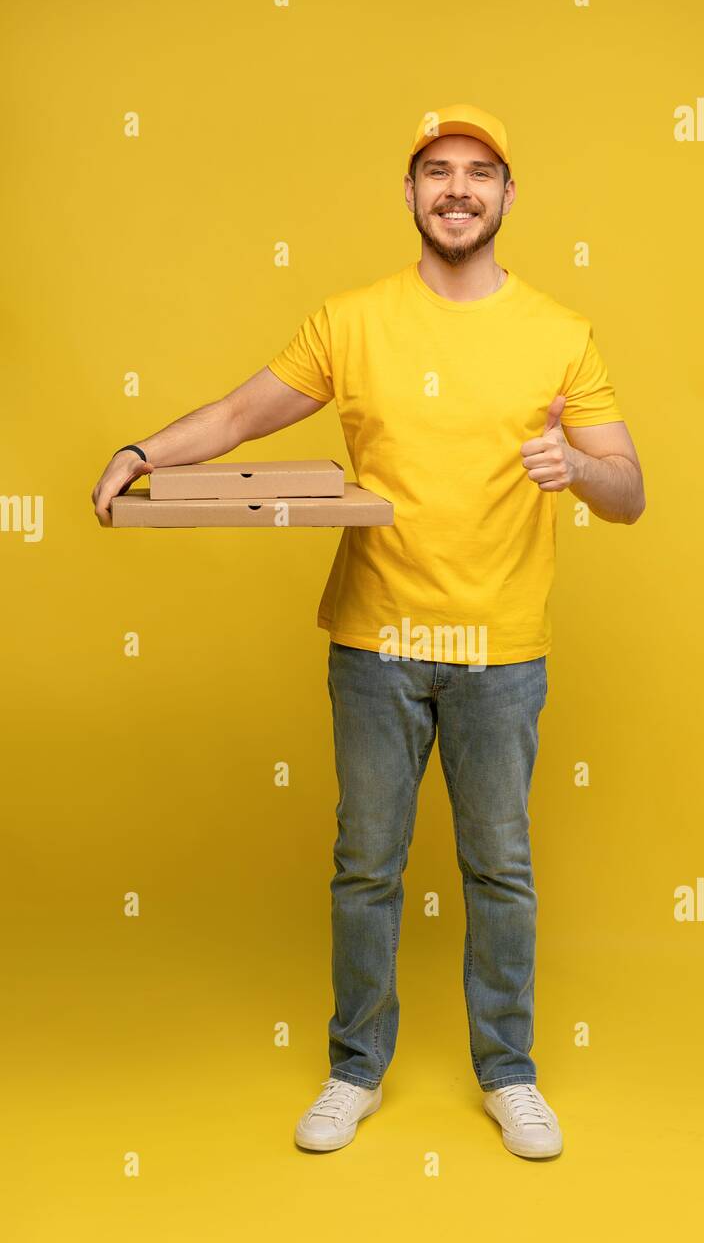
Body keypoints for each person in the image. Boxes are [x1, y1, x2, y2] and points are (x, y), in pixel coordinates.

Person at [92, 103, 644, 1160]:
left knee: (500, 868)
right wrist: (141, 449)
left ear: (506, 197)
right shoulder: (349, 319)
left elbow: (629, 490)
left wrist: (577, 470)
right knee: (365, 863)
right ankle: (354, 1068)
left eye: (478, 173)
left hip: (499, 649)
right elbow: (244, 413)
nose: (456, 189)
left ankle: (508, 1071)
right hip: (374, 642)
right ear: (408, 192)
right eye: (437, 170)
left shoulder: (558, 332)